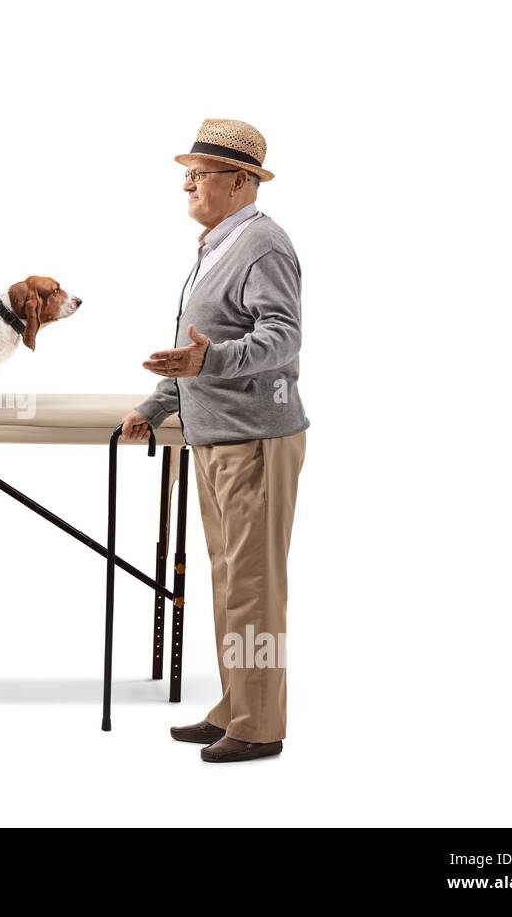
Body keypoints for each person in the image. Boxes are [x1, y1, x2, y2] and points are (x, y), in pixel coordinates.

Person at [120, 119, 308, 763]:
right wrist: (157, 402)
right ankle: (236, 705)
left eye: (198, 174)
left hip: (254, 438)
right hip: (218, 436)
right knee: (230, 581)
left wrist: (208, 364)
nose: (187, 184)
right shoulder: (219, 243)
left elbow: (282, 338)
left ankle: (259, 726)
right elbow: (197, 349)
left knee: (254, 585)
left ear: (240, 181)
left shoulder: (263, 245)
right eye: (190, 173)